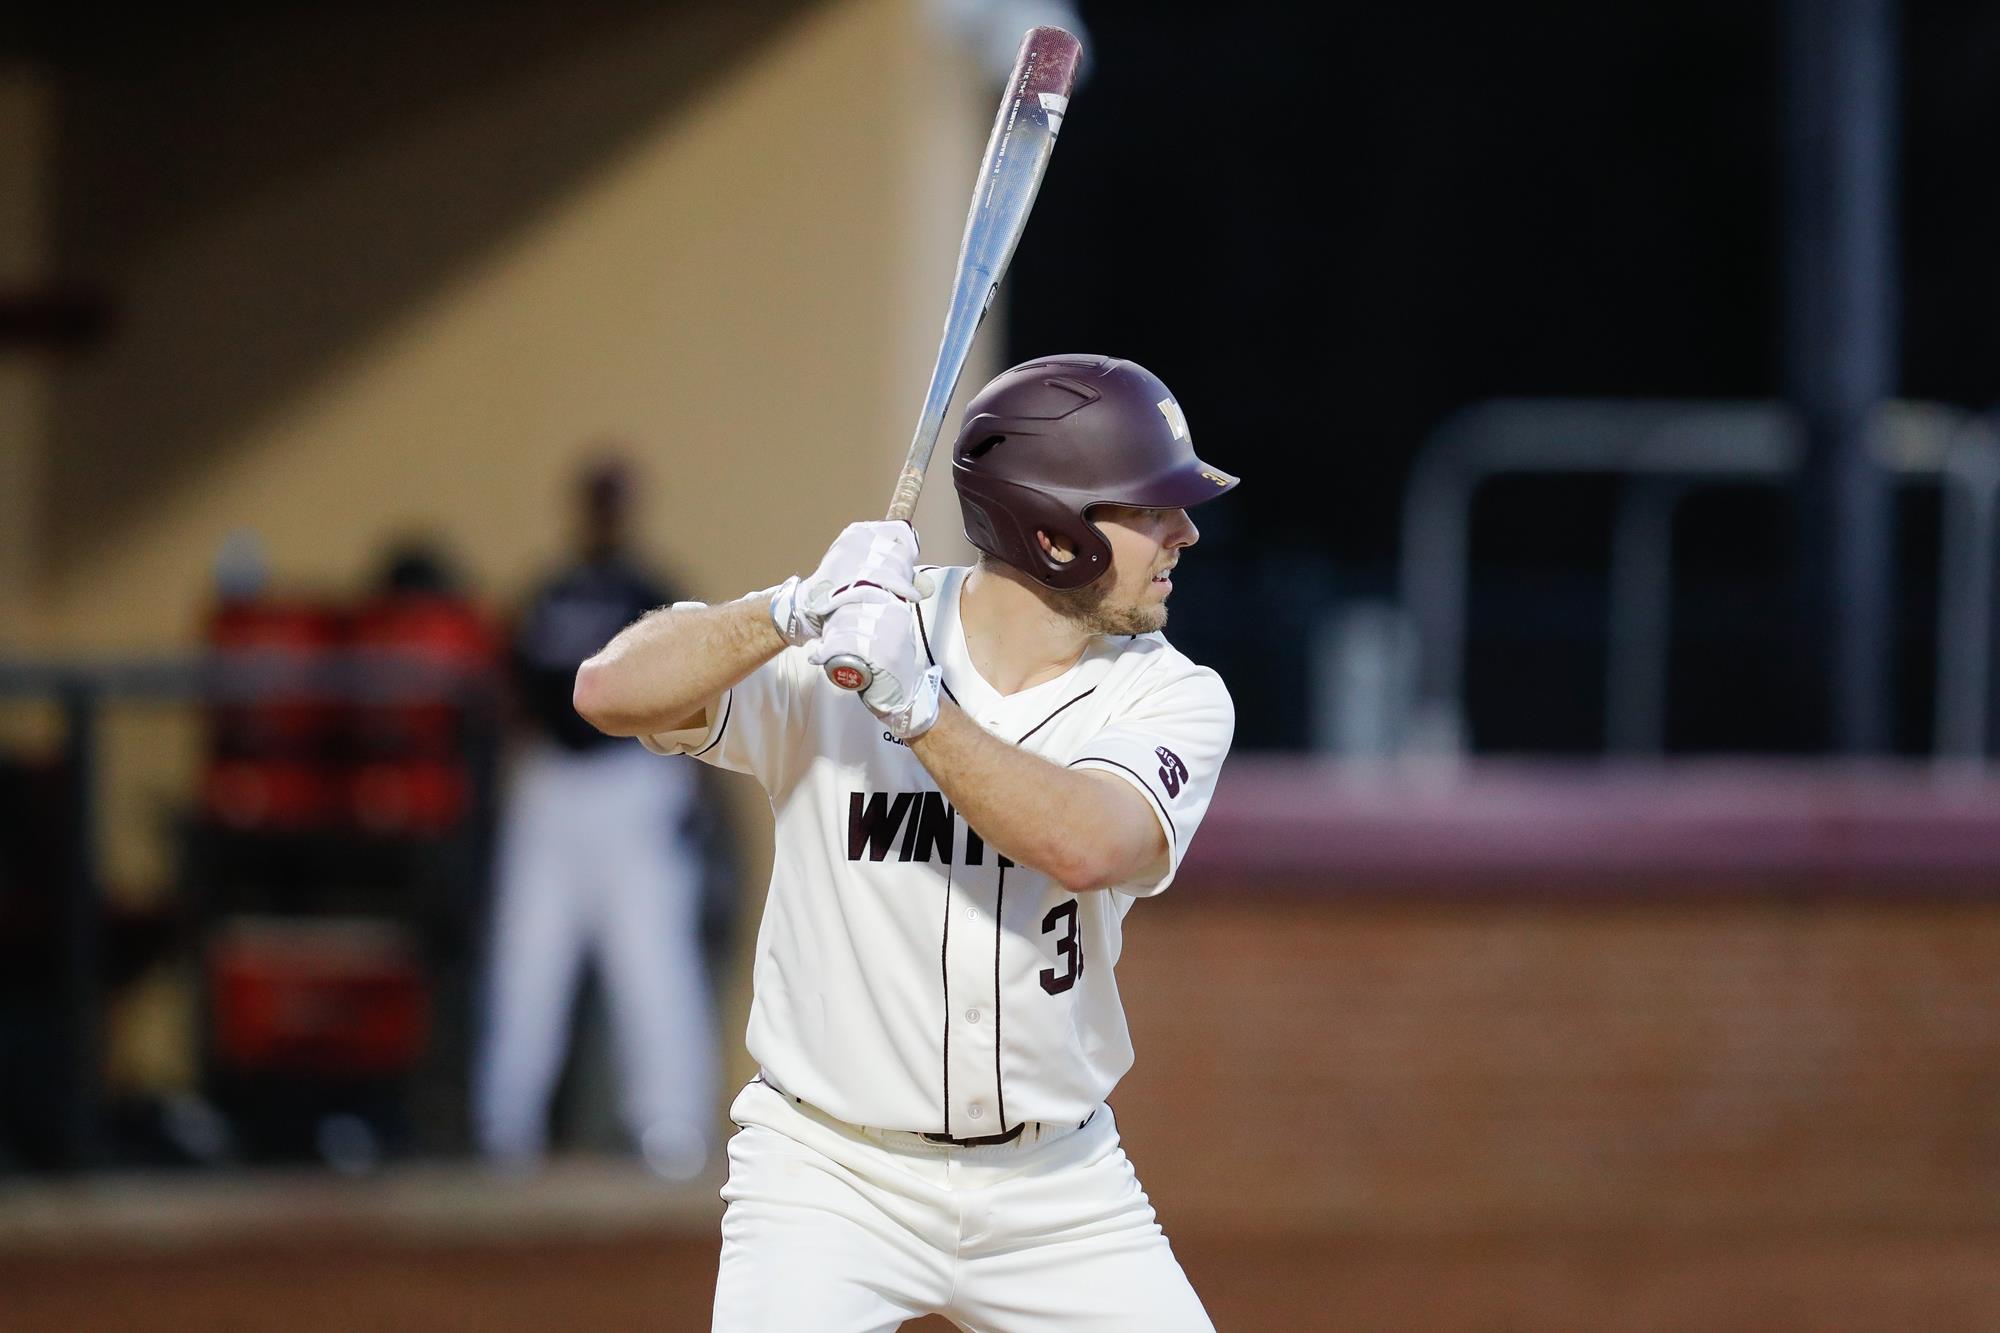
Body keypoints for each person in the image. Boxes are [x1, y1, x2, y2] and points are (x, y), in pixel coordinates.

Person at [575, 355, 1239, 1330]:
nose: (1181, 531)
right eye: (1148, 511)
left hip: (1053, 1189)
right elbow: (607, 689)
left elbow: (1088, 841)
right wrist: (786, 609)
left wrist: (917, 707)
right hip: (827, 1176)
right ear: (1054, 533)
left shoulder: (1169, 692)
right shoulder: (854, 629)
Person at [475, 455, 718, 1180]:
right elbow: (508, 694)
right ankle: (504, 1130)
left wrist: (691, 798)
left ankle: (673, 1129)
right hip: (552, 785)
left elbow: (698, 689)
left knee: (652, 959)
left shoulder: (654, 594)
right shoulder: (544, 594)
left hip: (633, 781)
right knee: (528, 960)